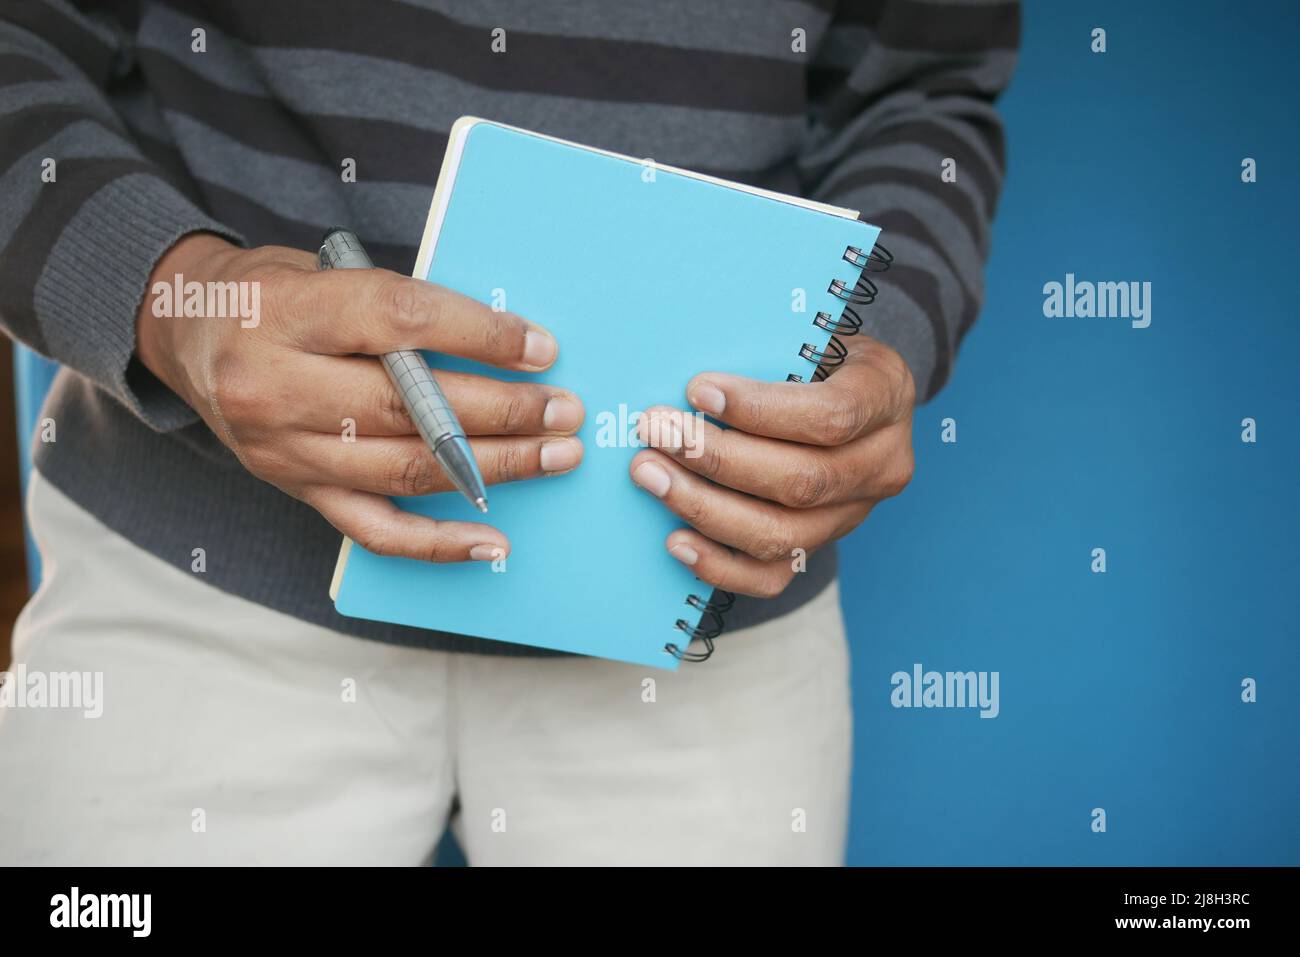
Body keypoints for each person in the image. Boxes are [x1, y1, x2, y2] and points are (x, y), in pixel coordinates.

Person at [0, 0, 1018, 865]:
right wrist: (176, 297)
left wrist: (878, 341)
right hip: (189, 576)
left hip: (693, 603)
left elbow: (921, 96)